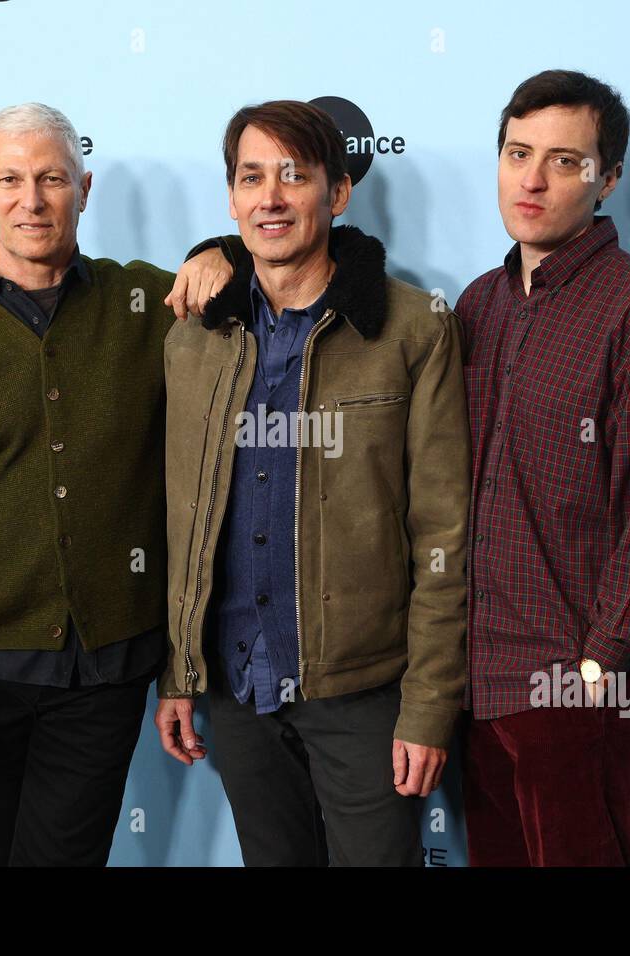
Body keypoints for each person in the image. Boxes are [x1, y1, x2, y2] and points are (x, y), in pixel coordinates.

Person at [0, 102, 230, 866]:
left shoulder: (140, 305)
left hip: (104, 677)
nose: (32, 200)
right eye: (11, 180)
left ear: (84, 189)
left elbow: (252, 287)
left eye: (52, 179)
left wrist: (219, 249)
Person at [153, 100, 471, 866]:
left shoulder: (410, 328)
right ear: (231, 202)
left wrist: (428, 705)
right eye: (252, 178)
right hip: (236, 692)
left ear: (337, 193)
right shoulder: (192, 336)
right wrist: (179, 670)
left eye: (294, 177)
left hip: (363, 698)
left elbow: (444, 530)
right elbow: (183, 519)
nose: (271, 197)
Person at [456, 71, 630, 866]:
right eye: (517, 153)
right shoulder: (476, 305)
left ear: (607, 180)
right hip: (479, 682)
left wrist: (598, 670)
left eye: (563, 161)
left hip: (580, 690)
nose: (531, 179)